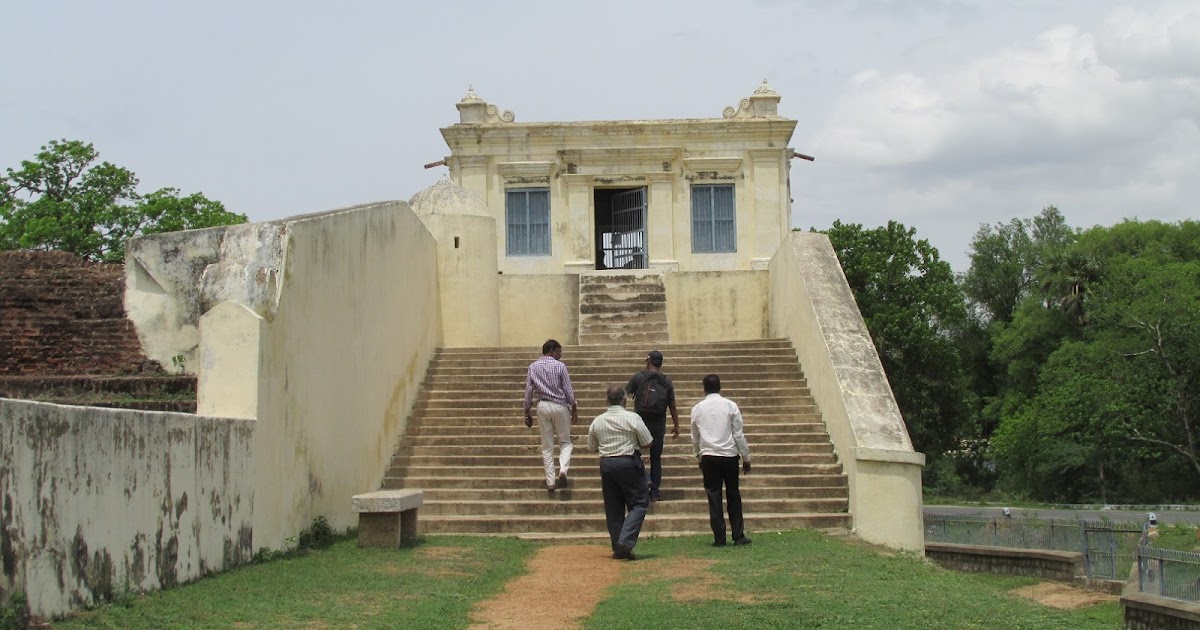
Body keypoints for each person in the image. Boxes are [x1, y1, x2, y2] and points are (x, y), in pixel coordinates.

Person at [588, 384, 654, 560]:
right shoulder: (632, 418)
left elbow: (592, 446)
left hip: (607, 464)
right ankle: (625, 541)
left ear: (607, 400)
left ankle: (618, 546)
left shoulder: (598, 420)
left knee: (613, 508)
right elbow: (648, 441)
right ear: (625, 400)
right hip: (628, 461)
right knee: (640, 502)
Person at [690, 374, 752, 547]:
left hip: (709, 456)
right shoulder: (730, 406)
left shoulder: (698, 408)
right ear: (720, 387)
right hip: (730, 455)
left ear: (704, 388)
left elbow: (695, 437)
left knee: (714, 496)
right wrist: (746, 457)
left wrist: (698, 456)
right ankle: (738, 535)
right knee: (733, 494)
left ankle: (719, 537)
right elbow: (738, 434)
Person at [524, 339, 579, 491]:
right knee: (565, 442)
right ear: (552, 351)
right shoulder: (560, 366)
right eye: (559, 352)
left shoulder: (533, 367)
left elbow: (529, 390)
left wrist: (527, 410)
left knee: (547, 446)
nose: (560, 355)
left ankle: (550, 482)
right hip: (560, 405)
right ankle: (563, 469)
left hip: (542, 406)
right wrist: (574, 406)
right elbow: (568, 389)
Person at [625, 349, 679, 502]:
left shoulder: (639, 377)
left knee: (634, 454)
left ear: (648, 361)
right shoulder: (667, 381)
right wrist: (676, 425)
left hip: (640, 422)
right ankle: (655, 492)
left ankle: (645, 478)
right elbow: (672, 405)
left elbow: (623, 394)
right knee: (656, 458)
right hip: (658, 424)